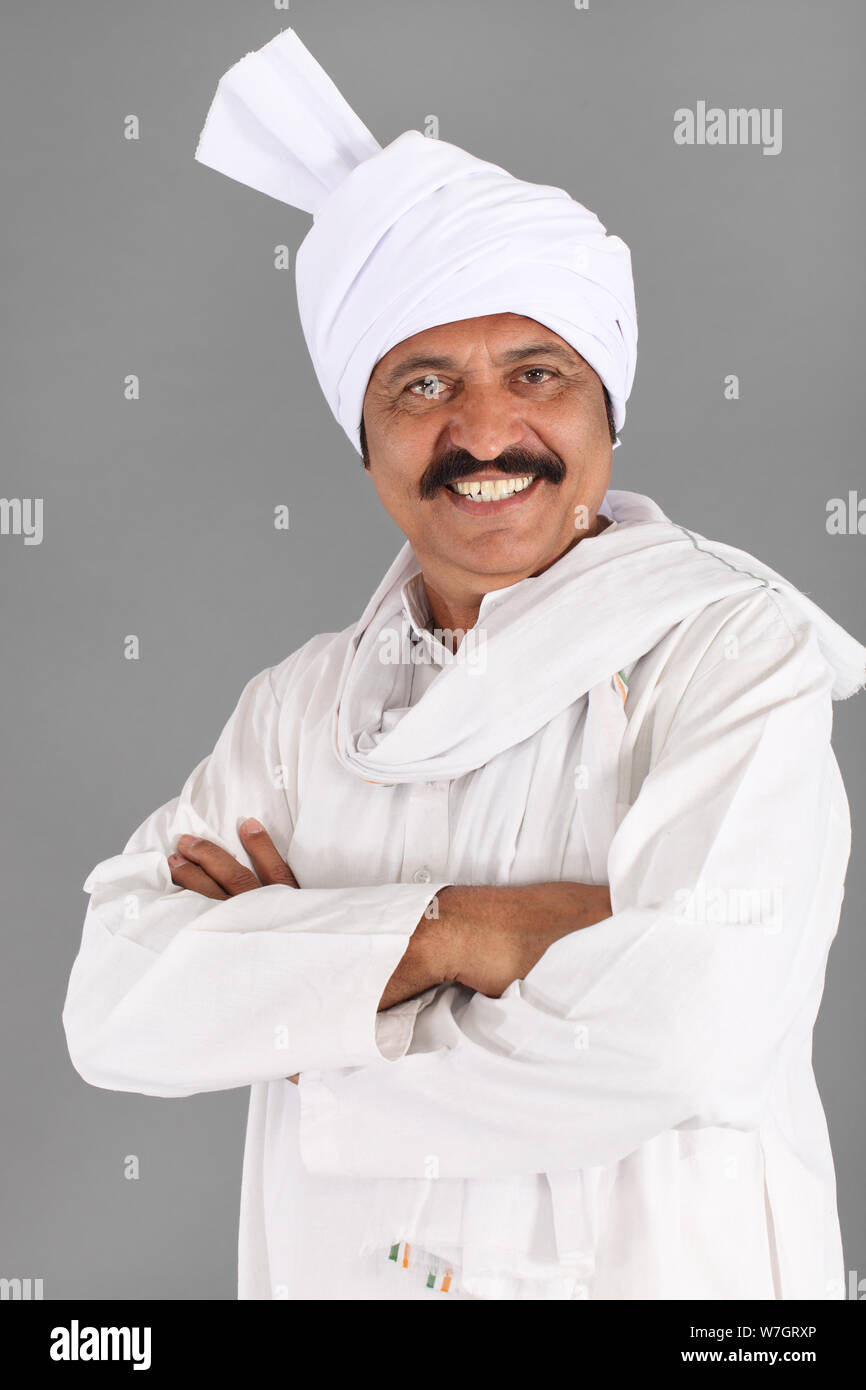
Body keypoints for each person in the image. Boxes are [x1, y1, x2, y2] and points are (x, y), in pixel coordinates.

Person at [62, 28, 865, 1301]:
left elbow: (684, 1033)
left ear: (608, 407)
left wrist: (307, 993)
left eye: (534, 373)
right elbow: (115, 1006)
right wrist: (460, 930)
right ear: (363, 438)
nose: (483, 431)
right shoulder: (299, 707)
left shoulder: (724, 653)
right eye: (421, 383)